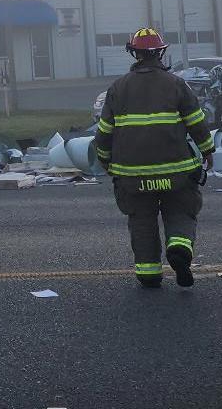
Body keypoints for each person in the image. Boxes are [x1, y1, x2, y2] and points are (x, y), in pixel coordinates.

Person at [91, 28, 215, 289]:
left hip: (132, 176)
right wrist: (207, 151)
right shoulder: (176, 84)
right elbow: (197, 123)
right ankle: (179, 248)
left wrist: (105, 160)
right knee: (181, 210)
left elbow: (104, 133)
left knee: (141, 220)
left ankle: (148, 274)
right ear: (160, 52)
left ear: (134, 53)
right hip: (176, 172)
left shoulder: (118, 88)